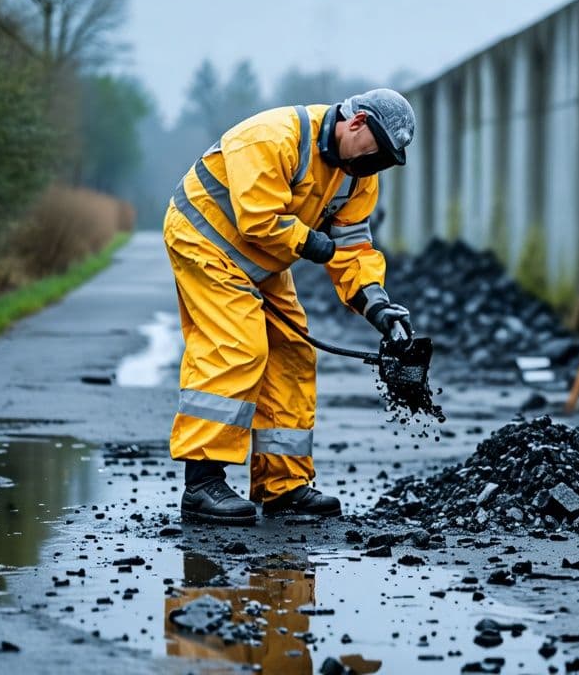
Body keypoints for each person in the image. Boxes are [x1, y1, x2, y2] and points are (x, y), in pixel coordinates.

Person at [162, 89, 416, 525]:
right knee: (238, 347)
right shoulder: (271, 138)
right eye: (375, 155)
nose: (373, 168)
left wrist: (377, 305)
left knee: (293, 353)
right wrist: (311, 243)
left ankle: (283, 487)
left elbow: (353, 248)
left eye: (383, 162)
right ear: (355, 125)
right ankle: (202, 484)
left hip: (261, 259)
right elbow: (259, 219)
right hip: (203, 240)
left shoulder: (357, 174)